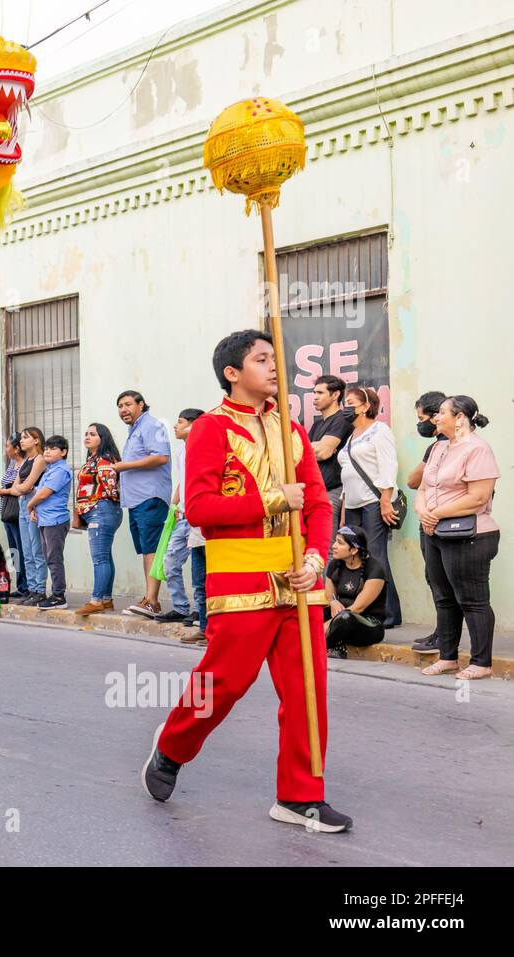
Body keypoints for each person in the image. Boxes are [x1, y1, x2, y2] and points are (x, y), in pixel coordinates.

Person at [141, 330, 351, 833]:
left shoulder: (292, 431)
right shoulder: (211, 430)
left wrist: (318, 558)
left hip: (300, 581)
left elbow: (319, 505)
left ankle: (300, 797)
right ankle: (172, 746)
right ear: (233, 373)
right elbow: (200, 510)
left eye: (275, 358)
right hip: (240, 578)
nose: (274, 367)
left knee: (308, 689)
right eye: (262, 359)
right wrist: (275, 499)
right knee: (224, 684)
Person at [416, 396, 500, 681]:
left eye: (440, 413)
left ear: (460, 417)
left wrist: (435, 513)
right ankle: (448, 657)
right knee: (444, 598)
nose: (435, 418)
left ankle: (481, 662)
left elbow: (478, 497)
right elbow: (423, 487)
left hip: (470, 534)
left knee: (472, 600)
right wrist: (423, 511)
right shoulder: (439, 447)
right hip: (435, 531)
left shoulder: (478, 449)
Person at [336, 386, 401, 628]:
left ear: (365, 406)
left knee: (376, 556)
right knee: (357, 558)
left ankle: (388, 613)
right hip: (351, 505)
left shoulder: (379, 430)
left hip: (373, 503)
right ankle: (366, 608)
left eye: (351, 402)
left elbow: (388, 466)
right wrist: (343, 511)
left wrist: (386, 500)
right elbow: (346, 476)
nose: (346, 407)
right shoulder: (351, 437)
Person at [113, 390, 173, 618]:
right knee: (146, 550)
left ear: (141, 405)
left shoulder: (151, 425)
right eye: (120, 406)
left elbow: (161, 457)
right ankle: (149, 599)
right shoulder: (135, 430)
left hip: (150, 497)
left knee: (151, 550)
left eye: (128, 404)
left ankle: (152, 600)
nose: (123, 410)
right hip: (137, 500)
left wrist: (124, 466)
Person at [153, 409, 205, 625]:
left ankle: (200, 611)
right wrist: (174, 505)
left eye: (180, 422)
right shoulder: (181, 451)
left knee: (200, 568)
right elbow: (183, 481)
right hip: (182, 515)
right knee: (170, 562)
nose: (175, 426)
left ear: (193, 425)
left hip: (197, 516)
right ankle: (181, 607)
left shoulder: (201, 448)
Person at [406, 391, 447, 655]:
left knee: (440, 582)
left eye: (421, 418)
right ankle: (442, 633)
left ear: (435, 417)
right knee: (439, 581)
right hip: (436, 518)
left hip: (437, 521)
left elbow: (412, 481)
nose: (420, 424)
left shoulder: (439, 446)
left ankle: (444, 637)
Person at [73, 423, 122, 617]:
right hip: (98, 511)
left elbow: (111, 489)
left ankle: (96, 600)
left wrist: (92, 504)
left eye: (92, 434)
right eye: (86, 434)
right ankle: (106, 599)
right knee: (105, 556)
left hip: (101, 511)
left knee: (100, 558)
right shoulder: (93, 459)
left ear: (103, 437)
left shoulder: (104, 460)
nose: (87, 437)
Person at [324, 525, 386, 658]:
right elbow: (329, 594)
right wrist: (333, 602)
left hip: (367, 624)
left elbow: (358, 608)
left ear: (353, 550)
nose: (334, 546)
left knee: (345, 618)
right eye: (335, 541)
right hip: (339, 617)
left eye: (339, 543)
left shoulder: (375, 569)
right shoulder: (335, 564)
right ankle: (336, 645)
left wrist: (325, 627)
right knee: (311, 610)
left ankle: (315, 648)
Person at [308, 374, 352, 554]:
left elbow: (324, 452)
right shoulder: (316, 425)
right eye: (314, 393)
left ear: (335, 395)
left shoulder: (342, 419)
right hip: (315, 492)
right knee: (316, 545)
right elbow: (301, 454)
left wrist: (321, 448)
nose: (315, 397)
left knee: (330, 547)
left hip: (333, 491)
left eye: (320, 392)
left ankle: (328, 584)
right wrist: (316, 448)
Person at [26, 435, 72, 608]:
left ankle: (59, 596)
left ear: (63, 452)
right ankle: (56, 594)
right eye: (46, 448)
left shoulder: (61, 470)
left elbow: (44, 493)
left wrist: (30, 506)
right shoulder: (50, 469)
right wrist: (34, 510)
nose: (47, 451)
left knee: (54, 558)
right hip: (45, 520)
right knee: (49, 557)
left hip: (55, 521)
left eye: (53, 448)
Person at [6, 426, 47, 604]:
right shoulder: (25, 460)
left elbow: (27, 485)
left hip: (33, 505)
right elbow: (17, 488)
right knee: (27, 551)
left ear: (36, 440)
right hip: (23, 504)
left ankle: (40, 589)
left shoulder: (39, 459)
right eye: (21, 438)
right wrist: (20, 488)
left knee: (37, 549)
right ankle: (31, 588)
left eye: (25, 437)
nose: (21, 440)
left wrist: (20, 488)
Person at [0, 433, 26, 596]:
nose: (6, 449)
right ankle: (20, 584)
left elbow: (19, 488)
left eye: (8, 446)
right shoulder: (12, 464)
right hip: (7, 514)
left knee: (23, 550)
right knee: (14, 551)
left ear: (16, 449)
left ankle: (26, 585)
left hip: (17, 514)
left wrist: (3, 491)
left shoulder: (24, 465)